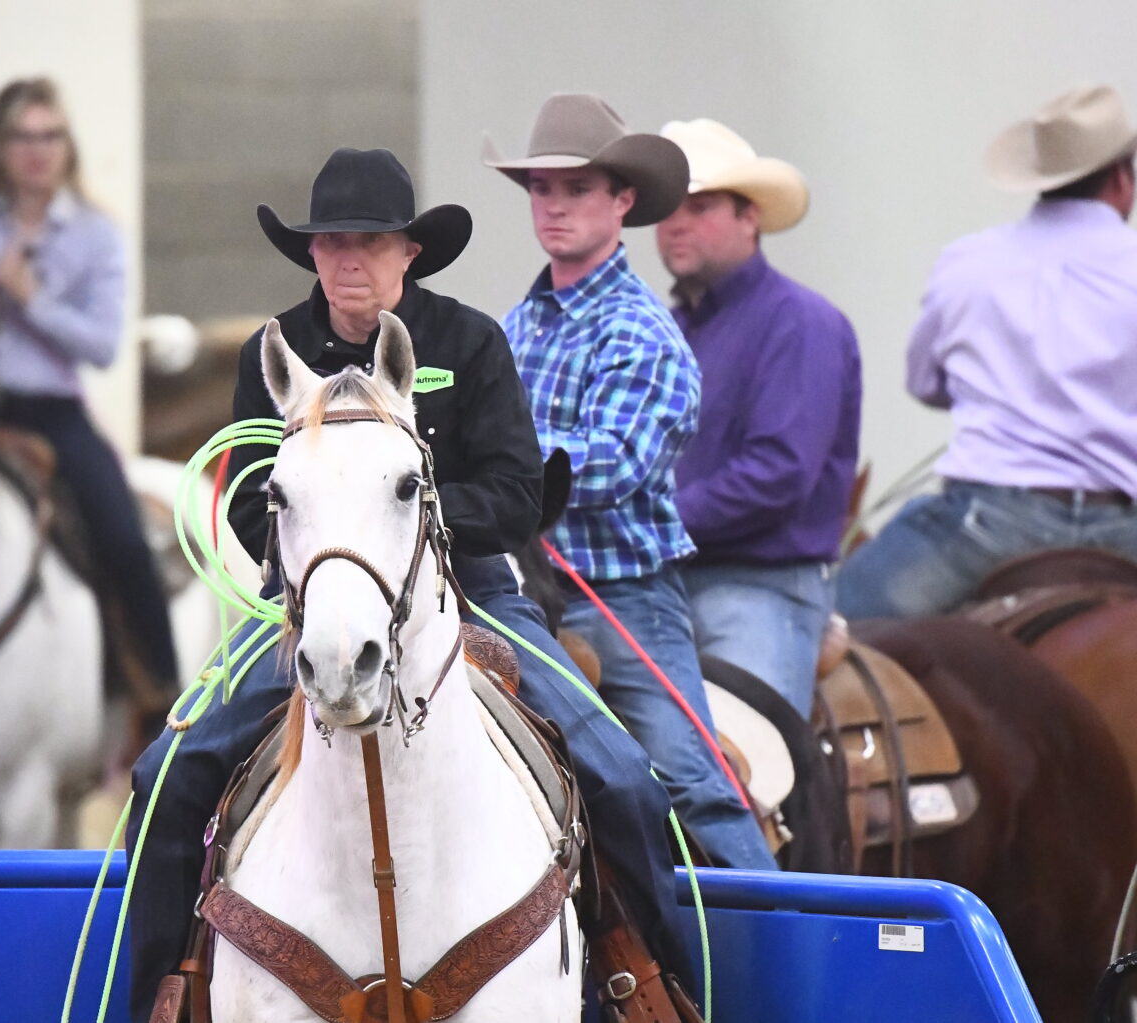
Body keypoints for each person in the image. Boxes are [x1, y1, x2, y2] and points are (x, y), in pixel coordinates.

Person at [124, 146, 693, 1022]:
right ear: (309, 255)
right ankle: (159, 993)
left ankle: (652, 988)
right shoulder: (268, 355)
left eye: (371, 241)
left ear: (409, 251)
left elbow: (513, 497)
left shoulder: (469, 342)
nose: (350, 259)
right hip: (311, 603)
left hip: (471, 595)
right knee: (168, 771)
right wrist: (331, 551)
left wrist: (409, 521)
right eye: (331, 243)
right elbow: (247, 500)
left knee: (625, 776)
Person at [487, 92, 776, 869]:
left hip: (618, 597)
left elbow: (613, 461)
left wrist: (500, 457)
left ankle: (785, 942)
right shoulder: (516, 325)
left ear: (622, 201)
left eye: (576, 188)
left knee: (690, 778)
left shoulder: (643, 331)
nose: (553, 206)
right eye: (541, 189)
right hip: (514, 590)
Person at [836, 83, 1137, 619]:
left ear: (1041, 179)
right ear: (1121, 177)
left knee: (827, 632)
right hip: (1123, 529)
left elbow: (925, 383)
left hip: (988, 523)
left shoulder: (970, 263)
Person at [0, 77, 179, 710]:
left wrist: (30, 300)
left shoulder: (97, 233)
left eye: (51, 136)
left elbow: (101, 345)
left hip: (52, 412)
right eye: (22, 136)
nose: (37, 150)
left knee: (123, 538)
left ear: (68, 147)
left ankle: (160, 690)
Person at [654, 118, 861, 717]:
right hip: (662, 583)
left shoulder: (800, 321)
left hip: (761, 584)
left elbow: (777, 473)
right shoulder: (663, 330)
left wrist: (647, 521)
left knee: (748, 762)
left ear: (751, 216)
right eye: (669, 207)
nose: (677, 222)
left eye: (702, 204)